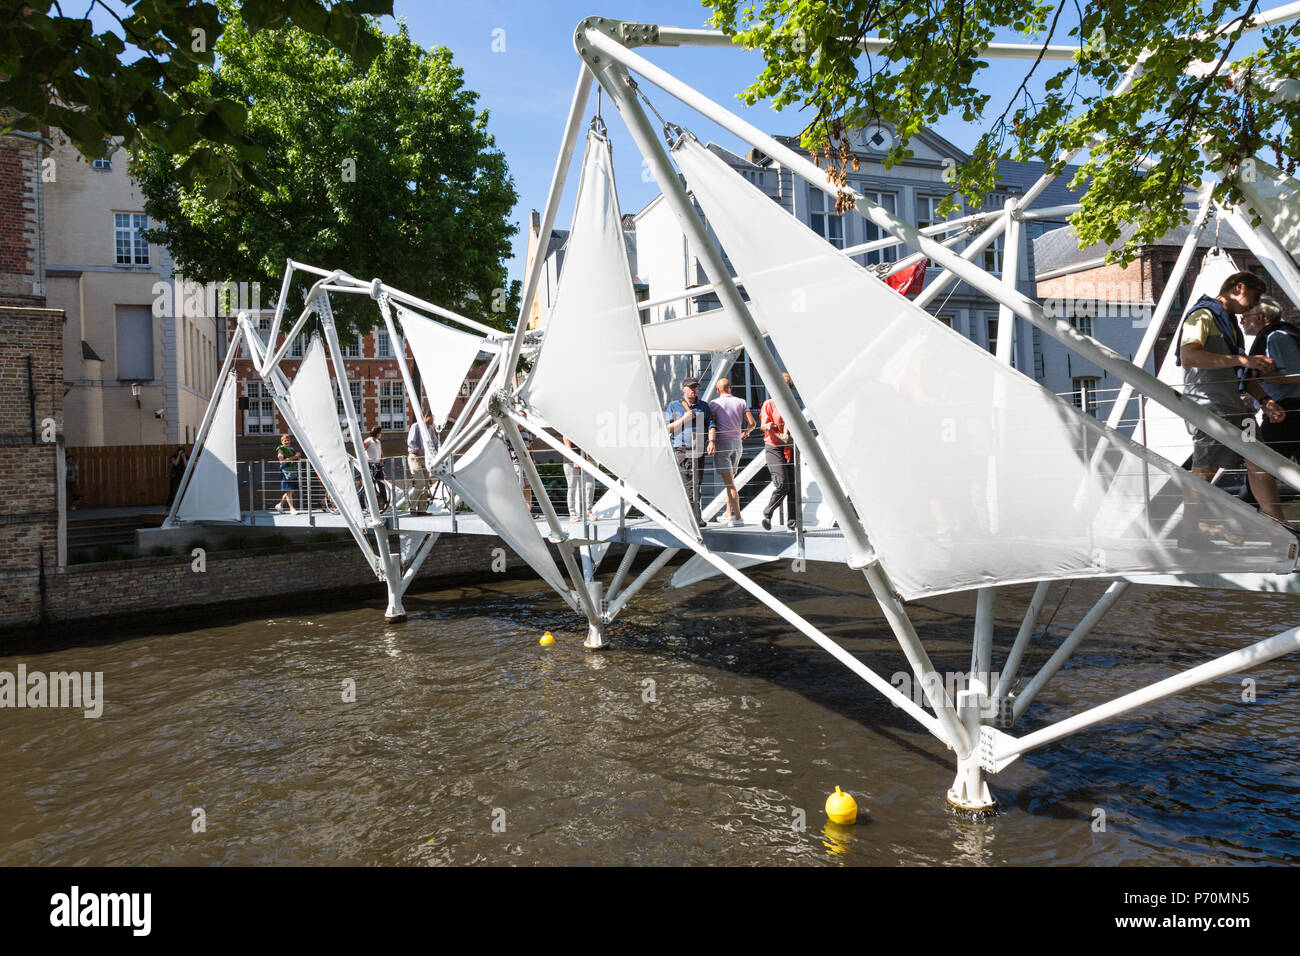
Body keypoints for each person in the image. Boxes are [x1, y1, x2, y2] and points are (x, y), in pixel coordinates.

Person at [1178, 271, 1287, 522]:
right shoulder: (1203, 315)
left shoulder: (1228, 322)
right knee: (1206, 468)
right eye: (1255, 294)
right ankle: (1190, 530)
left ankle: (1279, 526)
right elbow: (1189, 356)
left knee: (1259, 461)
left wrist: (1265, 401)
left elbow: (1239, 374)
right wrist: (1244, 359)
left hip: (1237, 410)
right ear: (1239, 288)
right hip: (1211, 409)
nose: (1257, 301)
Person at [1238, 295, 1300, 516]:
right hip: (1285, 409)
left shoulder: (1276, 337)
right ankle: (1244, 517)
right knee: (1261, 465)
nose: (1241, 321)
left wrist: (1267, 382)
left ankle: (1243, 517)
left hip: (1285, 412)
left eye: (1245, 316)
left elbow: (1289, 374)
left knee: (1260, 465)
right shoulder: (1284, 333)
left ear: (1261, 317)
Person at [665, 376, 716, 524]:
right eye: (691, 387)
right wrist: (684, 419)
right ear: (683, 389)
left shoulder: (703, 406)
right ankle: (693, 518)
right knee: (690, 480)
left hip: (699, 448)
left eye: (696, 387)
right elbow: (667, 427)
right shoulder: (674, 406)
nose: (694, 390)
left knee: (697, 482)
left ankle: (692, 517)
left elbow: (711, 425)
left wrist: (711, 441)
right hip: (682, 447)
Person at [708, 377, 757, 526]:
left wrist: (711, 442)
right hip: (737, 443)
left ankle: (738, 518)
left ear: (717, 390)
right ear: (730, 388)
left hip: (723, 444)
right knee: (730, 481)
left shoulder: (714, 404)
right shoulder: (741, 402)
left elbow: (712, 424)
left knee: (730, 484)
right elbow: (752, 423)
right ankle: (729, 513)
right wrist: (746, 432)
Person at [760, 373, 796, 531]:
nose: (785, 388)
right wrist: (768, 426)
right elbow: (763, 424)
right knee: (782, 484)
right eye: (782, 385)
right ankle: (767, 513)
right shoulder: (769, 403)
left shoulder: (791, 404)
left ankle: (793, 524)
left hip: (790, 447)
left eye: (787, 386)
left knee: (793, 487)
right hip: (773, 446)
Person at [407, 411, 437, 515]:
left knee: (426, 485)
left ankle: (422, 509)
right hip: (415, 458)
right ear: (426, 417)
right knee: (420, 482)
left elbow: (434, 443)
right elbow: (411, 444)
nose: (433, 421)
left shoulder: (431, 429)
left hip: (426, 459)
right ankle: (412, 507)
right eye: (432, 418)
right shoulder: (416, 426)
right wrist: (423, 455)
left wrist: (434, 455)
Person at [563, 435, 596, 522]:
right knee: (572, 487)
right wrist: (574, 459)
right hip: (570, 461)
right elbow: (565, 439)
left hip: (586, 459)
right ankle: (572, 514)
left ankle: (588, 511)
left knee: (590, 485)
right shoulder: (570, 425)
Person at [362, 425, 389, 511]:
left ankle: (385, 503)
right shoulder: (368, 441)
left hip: (378, 465)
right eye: (380, 432)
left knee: (382, 484)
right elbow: (360, 451)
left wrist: (382, 460)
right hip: (370, 464)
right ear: (377, 433)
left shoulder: (378, 442)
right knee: (370, 485)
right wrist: (363, 461)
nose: (381, 434)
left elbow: (381, 453)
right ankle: (368, 505)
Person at [274, 433, 299, 514]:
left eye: (288, 440)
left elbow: (296, 459)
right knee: (289, 490)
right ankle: (292, 509)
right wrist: (294, 457)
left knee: (291, 491)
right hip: (286, 472)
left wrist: (297, 457)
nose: (287, 442)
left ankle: (280, 505)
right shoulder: (280, 449)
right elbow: (281, 461)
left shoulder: (292, 449)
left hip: (292, 470)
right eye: (285, 440)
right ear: (282, 442)